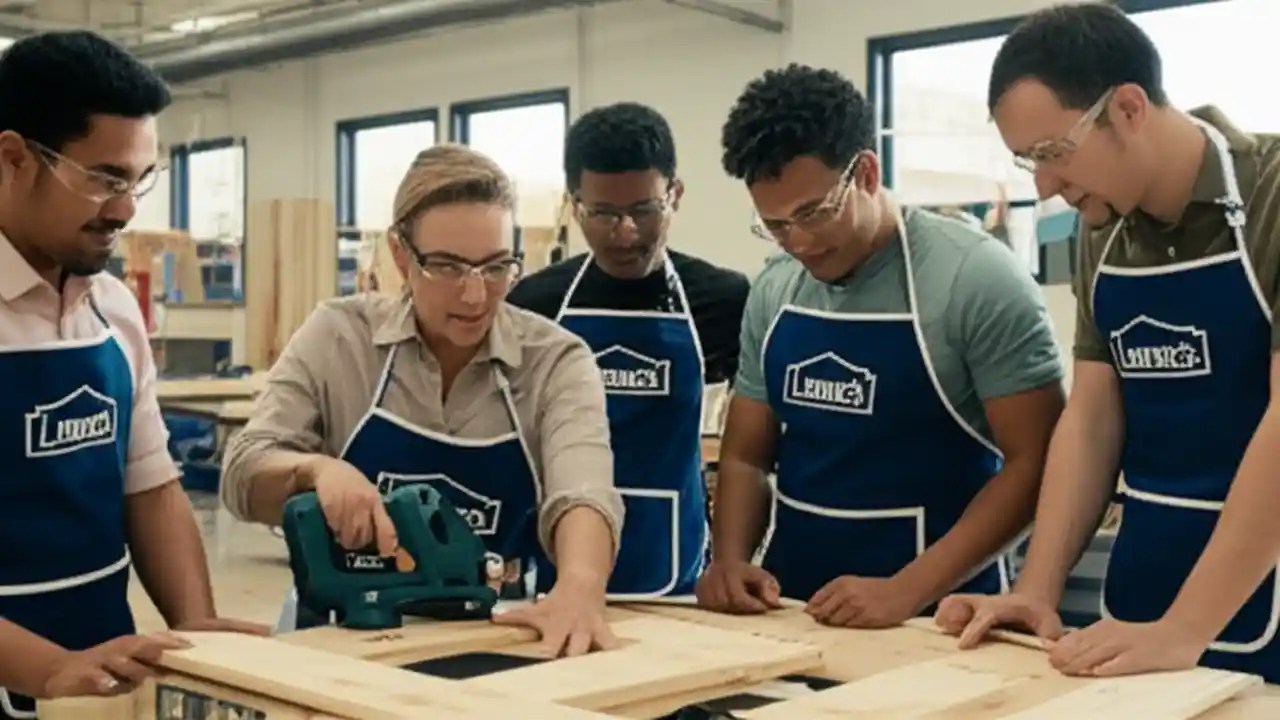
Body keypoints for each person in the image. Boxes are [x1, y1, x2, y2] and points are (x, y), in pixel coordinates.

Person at [936, 3, 1280, 683]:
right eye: (1028, 161)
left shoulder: (1271, 196)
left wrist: (1188, 628)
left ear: (1127, 108)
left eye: (1052, 153)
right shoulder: (1101, 227)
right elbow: (1092, 418)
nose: (1045, 186)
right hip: (1145, 596)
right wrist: (1037, 590)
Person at [696, 63, 1066, 628]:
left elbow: (1036, 463)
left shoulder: (974, 280)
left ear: (866, 173)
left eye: (813, 213)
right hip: (793, 611)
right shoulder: (775, 290)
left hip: (937, 621)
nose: (798, 242)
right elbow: (747, 457)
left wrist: (906, 591)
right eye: (775, 225)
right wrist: (729, 559)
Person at [220, 143, 624, 657]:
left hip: (499, 634)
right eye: (447, 267)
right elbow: (242, 472)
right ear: (399, 254)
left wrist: (580, 588)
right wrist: (314, 471)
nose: (475, 295)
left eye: (496, 267)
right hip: (341, 640)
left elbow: (583, 491)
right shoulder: (339, 339)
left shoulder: (555, 361)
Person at [0, 31, 268, 717]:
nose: (125, 208)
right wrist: (48, 669)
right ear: (14, 158)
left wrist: (197, 627)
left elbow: (149, 489)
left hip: (97, 690)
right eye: (104, 178)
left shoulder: (112, 311)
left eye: (139, 180)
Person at [507, 102, 750, 599]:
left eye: (644, 210)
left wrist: (732, 559)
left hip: (679, 571)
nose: (624, 233)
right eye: (602, 214)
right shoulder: (536, 304)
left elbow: (747, 452)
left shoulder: (722, 300)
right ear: (574, 204)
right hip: (557, 566)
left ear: (675, 195)